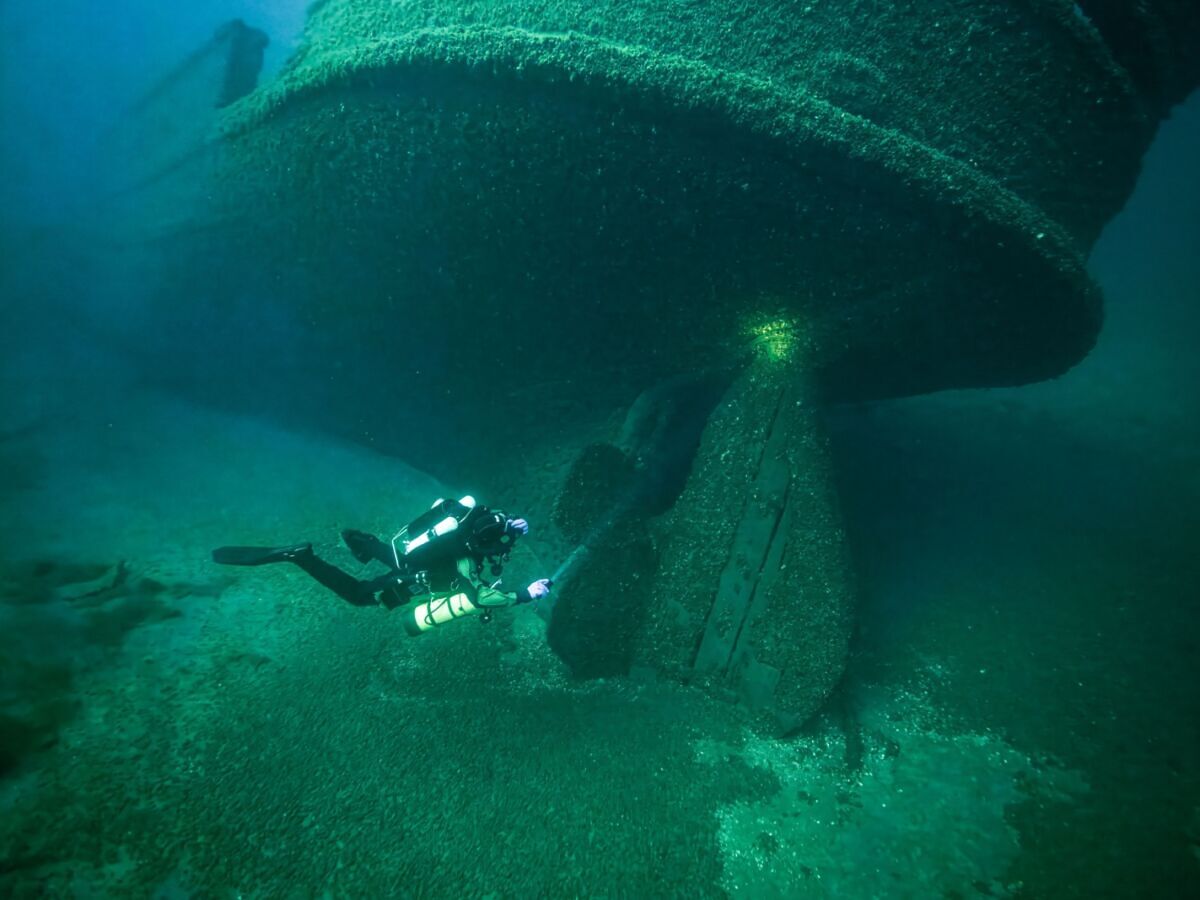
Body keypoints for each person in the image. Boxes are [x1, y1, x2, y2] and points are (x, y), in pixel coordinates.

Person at [212, 496, 552, 636]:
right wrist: (525, 594)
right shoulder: (464, 559)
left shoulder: (468, 518)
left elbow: (486, 526)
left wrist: (510, 527)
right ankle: (302, 557)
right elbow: (479, 599)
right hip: (412, 579)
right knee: (360, 595)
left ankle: (359, 541)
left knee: (397, 557)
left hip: (413, 557)